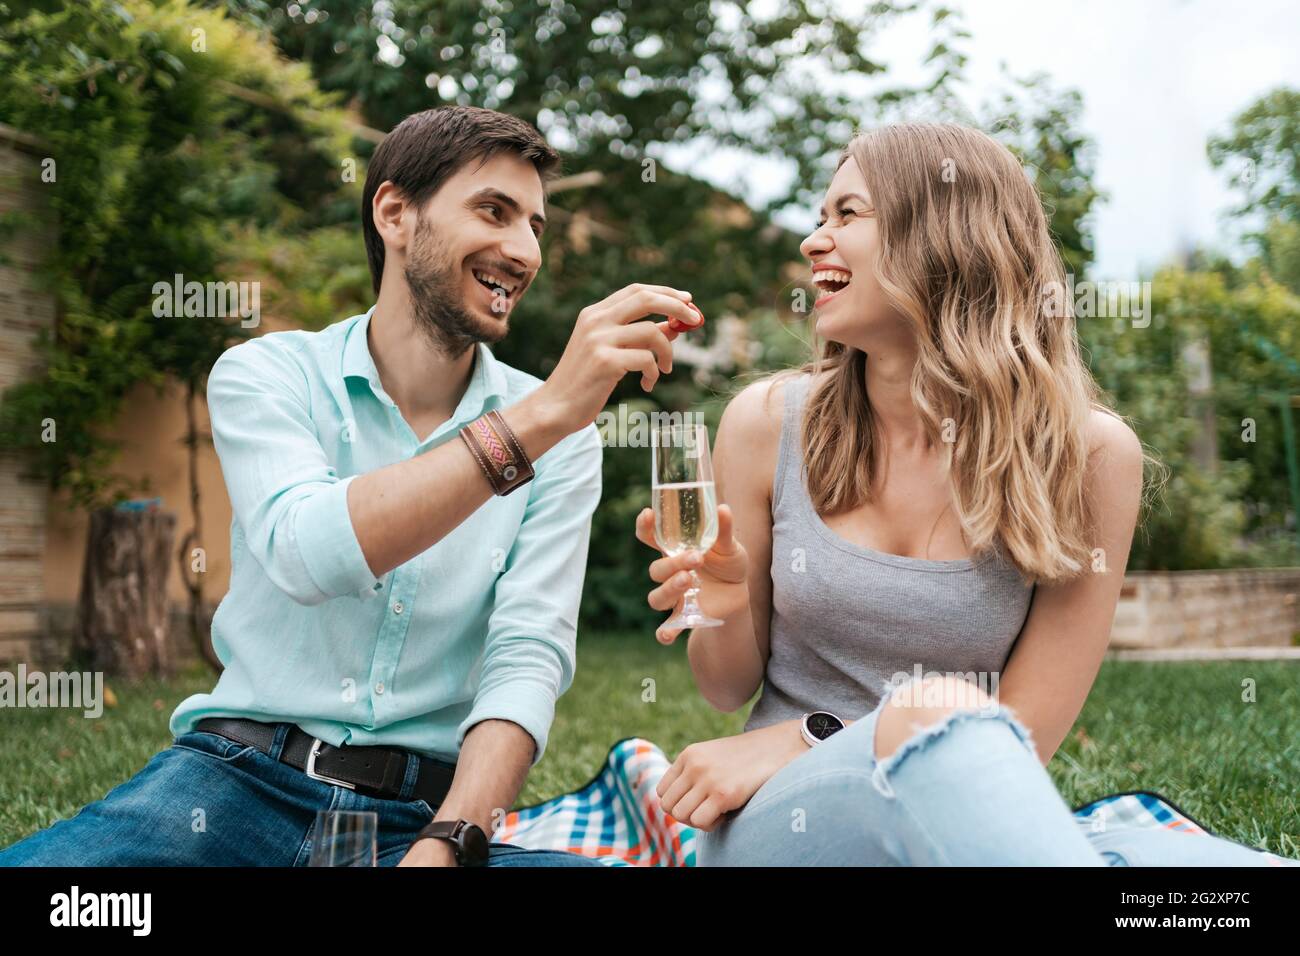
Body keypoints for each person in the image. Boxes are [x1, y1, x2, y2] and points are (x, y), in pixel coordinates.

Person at [2, 105, 701, 868]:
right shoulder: (268, 375)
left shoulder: (561, 442)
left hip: (422, 816)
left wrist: (453, 839)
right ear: (395, 213)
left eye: (535, 224)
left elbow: (525, 659)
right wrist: (543, 417)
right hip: (232, 791)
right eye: (494, 212)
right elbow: (313, 554)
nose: (523, 249)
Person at [635, 122, 1297, 867]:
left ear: (944, 235)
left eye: (846, 215)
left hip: (964, 822)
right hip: (785, 822)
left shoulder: (1089, 456)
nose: (814, 240)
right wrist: (720, 611)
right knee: (938, 710)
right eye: (821, 218)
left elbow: (1023, 740)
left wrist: (814, 731)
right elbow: (725, 690)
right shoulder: (767, 424)